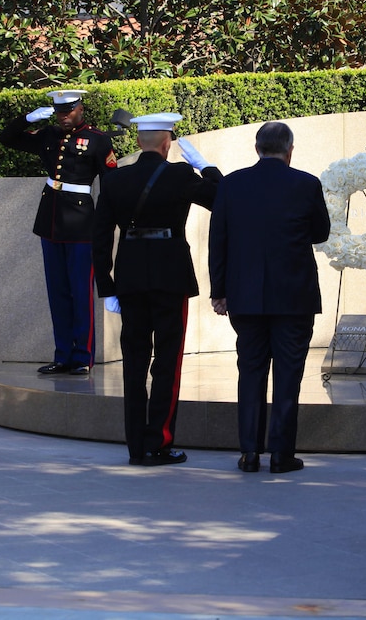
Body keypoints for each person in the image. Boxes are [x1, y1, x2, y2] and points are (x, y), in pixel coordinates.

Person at [93, 112, 222, 467]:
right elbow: (222, 198)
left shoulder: (115, 180)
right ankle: (159, 442)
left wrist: (107, 286)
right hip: (170, 277)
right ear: (168, 144)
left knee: (133, 363)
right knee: (167, 362)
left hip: (130, 278)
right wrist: (206, 167)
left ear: (138, 142)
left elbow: (100, 237)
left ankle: (136, 445)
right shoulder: (180, 175)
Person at [208, 121, 330, 474]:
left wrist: (219, 291)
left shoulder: (231, 184)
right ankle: (281, 454)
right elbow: (321, 232)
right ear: (290, 151)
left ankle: (249, 453)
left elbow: (218, 240)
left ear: (257, 149)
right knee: (288, 375)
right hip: (293, 296)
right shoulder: (306, 183)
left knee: (250, 371)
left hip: (245, 296)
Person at [0, 90, 117, 376]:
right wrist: (27, 119)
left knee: (80, 293)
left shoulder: (98, 139)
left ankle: (82, 356)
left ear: (80, 109)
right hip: (50, 222)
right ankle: (62, 354)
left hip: (80, 224)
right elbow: (7, 138)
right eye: (59, 112)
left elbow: (111, 184)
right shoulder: (48, 135)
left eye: (68, 111)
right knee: (58, 293)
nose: (63, 117)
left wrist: (104, 223)